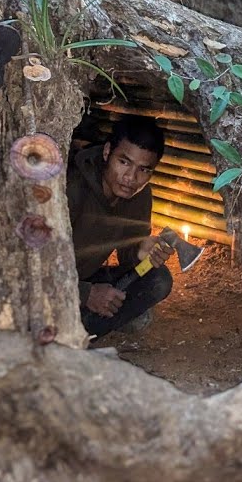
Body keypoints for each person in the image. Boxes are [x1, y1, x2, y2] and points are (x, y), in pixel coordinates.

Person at [66, 115, 174, 337]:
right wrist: (85, 294)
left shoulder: (139, 196)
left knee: (158, 279)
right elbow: (31, 265)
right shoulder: (72, 188)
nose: (130, 178)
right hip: (48, 285)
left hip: (87, 277)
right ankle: (76, 330)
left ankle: (80, 326)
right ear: (107, 153)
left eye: (144, 170)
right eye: (124, 162)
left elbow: (128, 258)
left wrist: (140, 251)